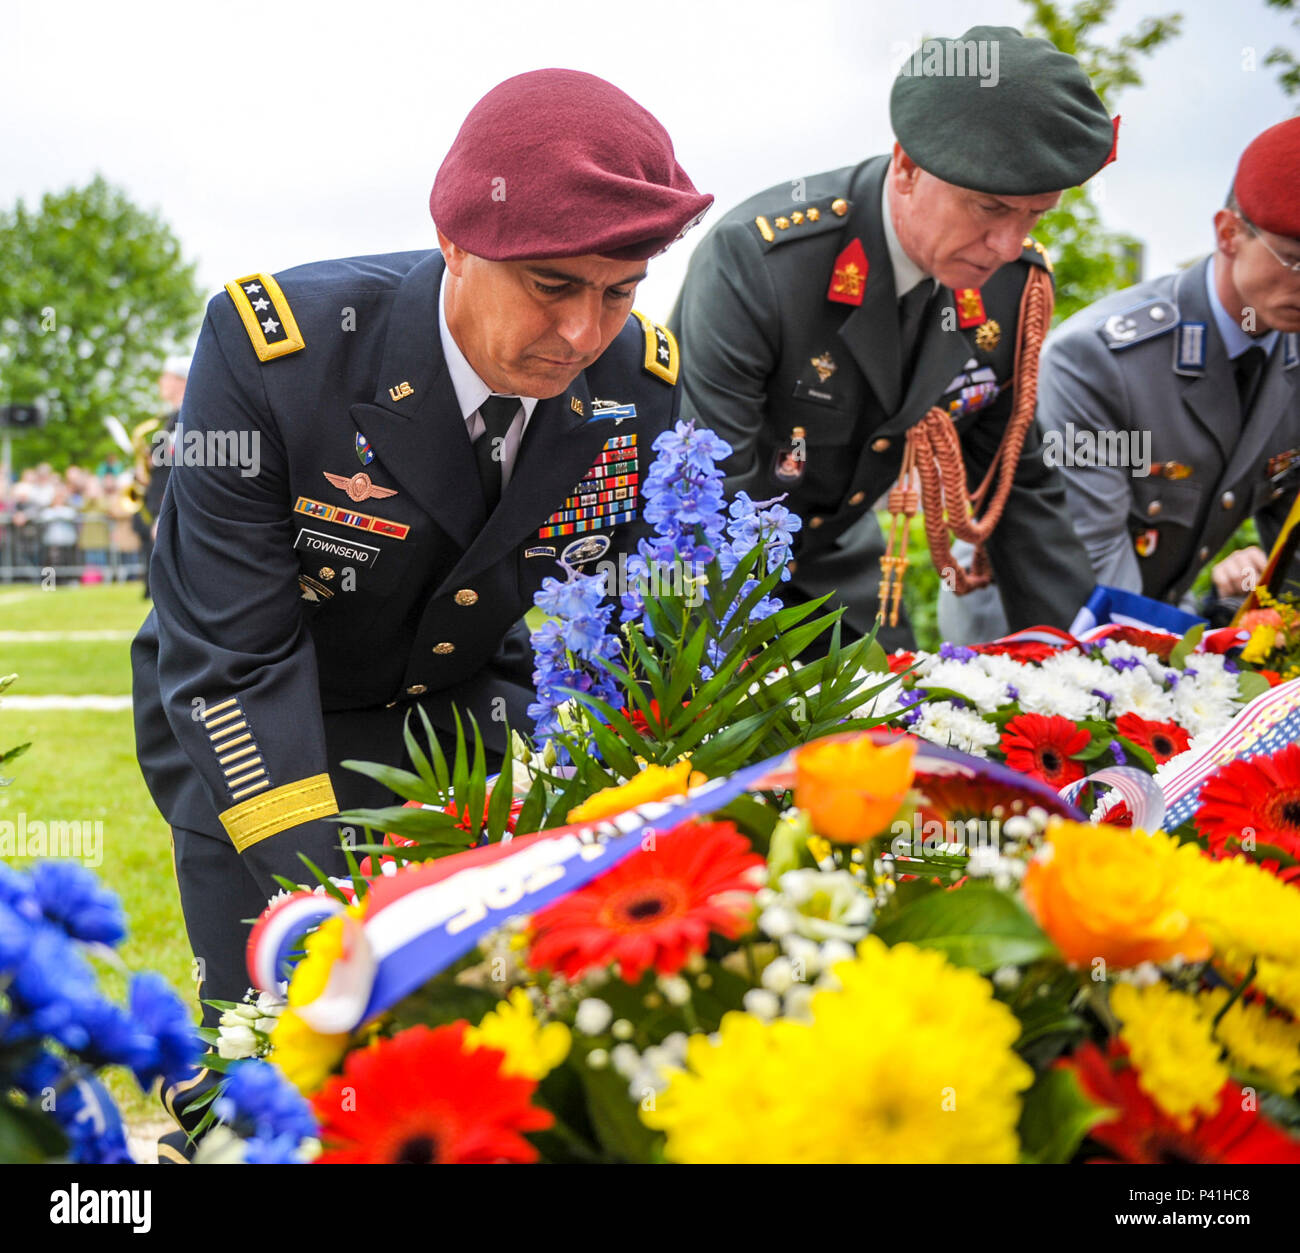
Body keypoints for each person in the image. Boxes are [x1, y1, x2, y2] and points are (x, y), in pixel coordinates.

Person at [129, 68, 709, 1160]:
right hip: (262, 731)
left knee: (486, 1065)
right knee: (272, 1069)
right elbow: (235, 658)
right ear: (455, 241)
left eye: (621, 289)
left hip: (463, 730)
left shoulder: (642, 380)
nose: (585, 331)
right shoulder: (278, 356)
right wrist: (334, 906)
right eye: (551, 285)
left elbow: (611, 629)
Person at [671, 25, 1116, 650]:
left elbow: (1022, 493)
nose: (1009, 246)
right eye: (990, 208)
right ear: (907, 167)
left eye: (1035, 215)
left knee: (900, 732)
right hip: (706, 575)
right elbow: (708, 488)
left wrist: (1085, 663)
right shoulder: (763, 261)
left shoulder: (1011, 288)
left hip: (841, 572)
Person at [1034, 117, 1300, 625]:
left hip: (1155, 624)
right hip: (1036, 634)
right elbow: (1093, 572)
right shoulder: (1100, 359)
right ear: (1228, 233)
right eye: (1296, 260)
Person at [133, 356, 190, 599]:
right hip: (160, 501)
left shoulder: (186, 415)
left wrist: (166, 512)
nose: (161, 382)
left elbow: (181, 465)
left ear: (180, 381)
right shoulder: (169, 419)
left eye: (166, 377)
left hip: (171, 502)